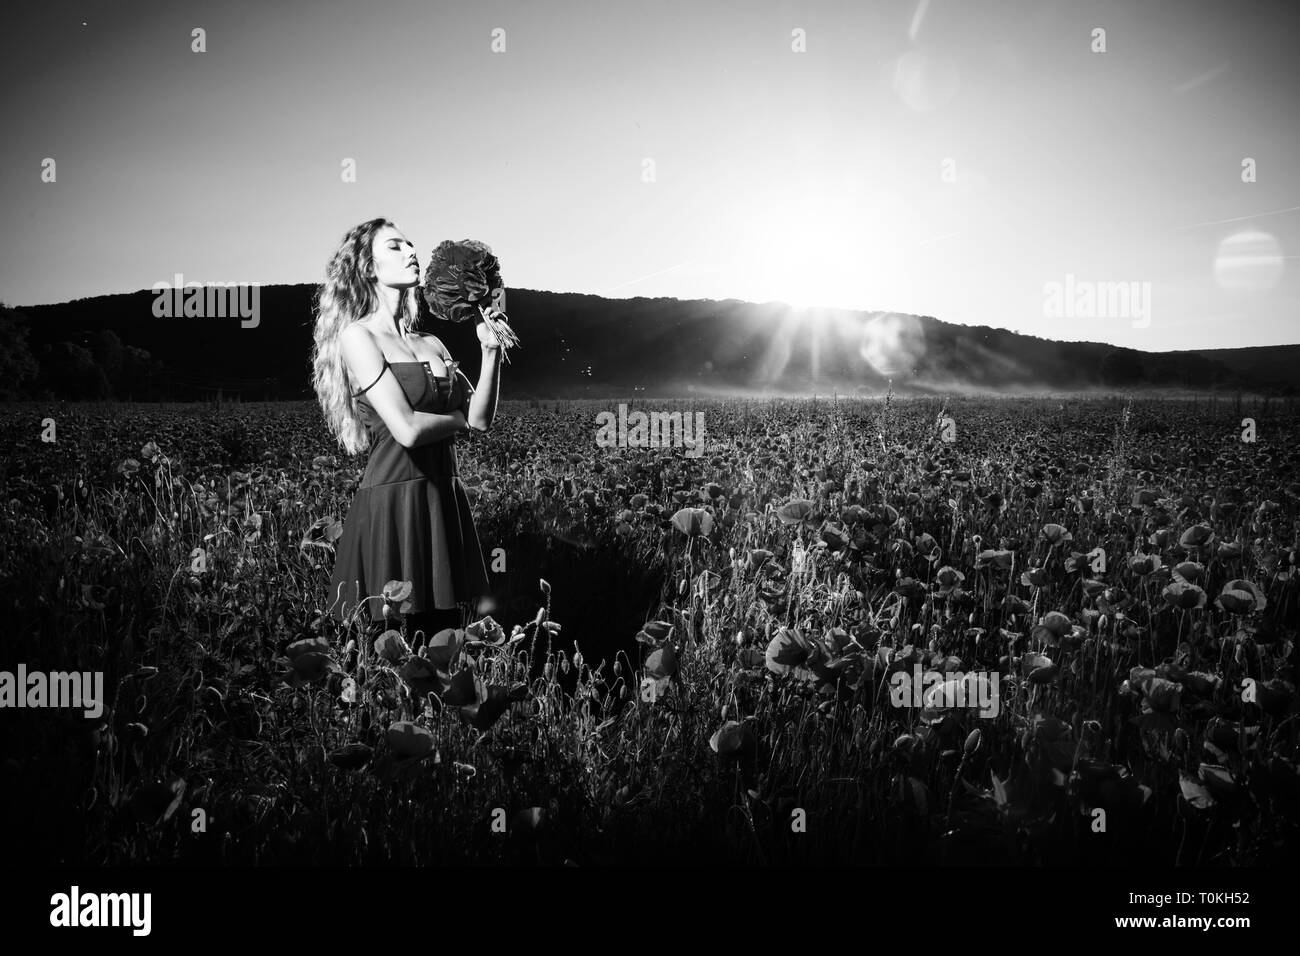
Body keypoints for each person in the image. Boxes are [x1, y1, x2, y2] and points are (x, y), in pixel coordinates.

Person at [310, 217, 502, 645]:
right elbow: (408, 431)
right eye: (395, 247)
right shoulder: (359, 338)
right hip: (392, 503)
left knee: (447, 643)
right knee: (392, 644)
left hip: (442, 500)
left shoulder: (433, 342)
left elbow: (482, 419)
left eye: (411, 244)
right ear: (369, 268)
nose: (411, 252)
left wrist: (489, 352)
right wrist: (458, 422)